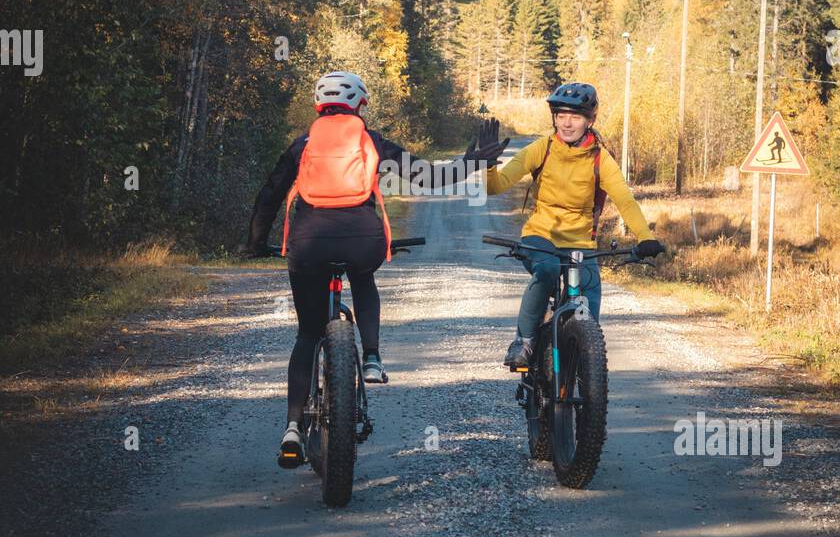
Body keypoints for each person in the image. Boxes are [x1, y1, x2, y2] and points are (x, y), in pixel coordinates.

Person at [242, 71, 502, 468]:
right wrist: (471, 164)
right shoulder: (371, 141)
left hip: (309, 244)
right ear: (360, 104)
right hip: (362, 239)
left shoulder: (302, 145)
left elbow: (268, 197)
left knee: (309, 332)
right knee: (362, 276)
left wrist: (256, 243)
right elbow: (425, 177)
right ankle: (374, 357)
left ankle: (293, 427)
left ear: (318, 105)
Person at [477, 82, 663, 368]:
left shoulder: (600, 159)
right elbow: (497, 186)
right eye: (561, 115)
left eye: (575, 116)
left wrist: (645, 237)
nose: (566, 122)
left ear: (590, 120)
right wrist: (489, 166)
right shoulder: (543, 148)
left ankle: (586, 366)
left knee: (589, 301)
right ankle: (524, 341)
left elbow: (625, 201)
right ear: (554, 117)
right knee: (547, 270)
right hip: (540, 237)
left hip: (580, 244)